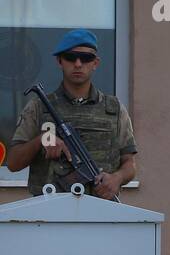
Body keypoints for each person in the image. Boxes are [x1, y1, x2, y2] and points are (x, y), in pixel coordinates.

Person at [5, 28, 138, 199]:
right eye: (70, 57)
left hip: (101, 211)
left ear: (95, 63)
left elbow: (130, 163)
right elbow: (14, 163)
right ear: (59, 61)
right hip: (50, 213)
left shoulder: (114, 109)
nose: (78, 64)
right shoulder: (38, 108)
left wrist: (117, 178)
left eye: (86, 58)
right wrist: (41, 140)